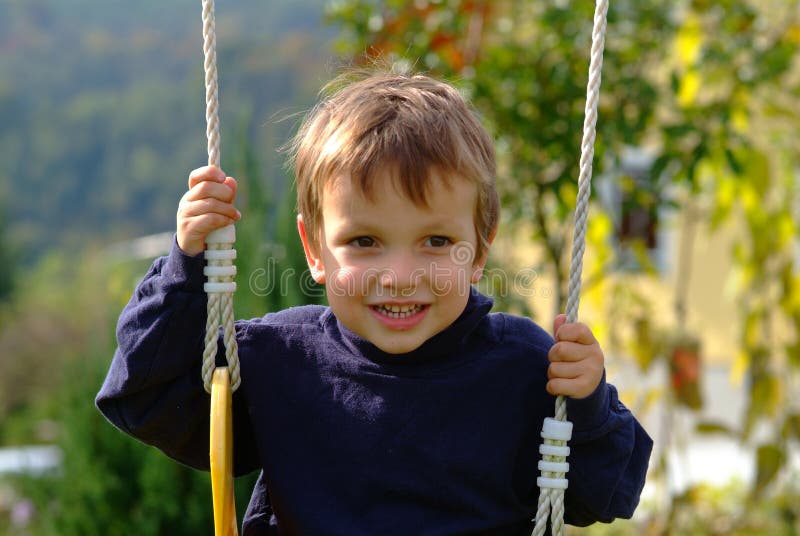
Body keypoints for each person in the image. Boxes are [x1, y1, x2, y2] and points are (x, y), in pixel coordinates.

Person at [96, 70, 652, 535]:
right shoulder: (278, 361)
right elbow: (147, 398)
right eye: (364, 242)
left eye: (436, 241)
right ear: (315, 249)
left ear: (479, 249)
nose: (400, 278)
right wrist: (187, 267)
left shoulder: (524, 366)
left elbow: (605, 494)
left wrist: (586, 403)